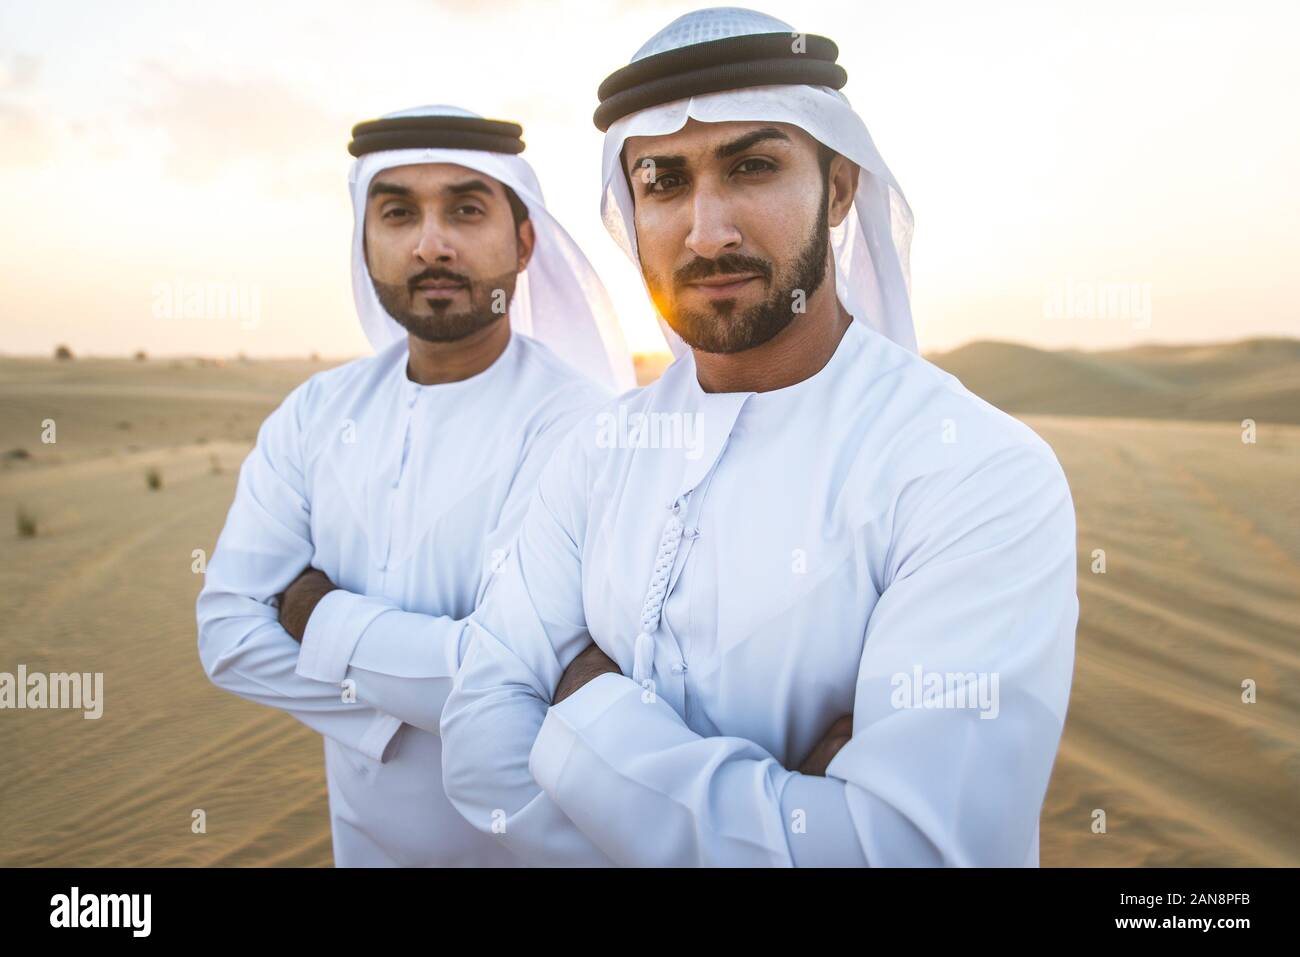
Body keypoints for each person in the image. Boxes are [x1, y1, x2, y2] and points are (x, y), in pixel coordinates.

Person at [439, 9, 1078, 866]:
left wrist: (584, 707)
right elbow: (479, 757)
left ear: (840, 185)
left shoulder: (973, 473)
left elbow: (910, 852)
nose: (708, 231)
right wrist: (791, 808)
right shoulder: (596, 454)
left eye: (753, 166)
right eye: (663, 180)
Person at [196, 104, 633, 866]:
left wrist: (317, 613)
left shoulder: (580, 426)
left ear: (524, 241)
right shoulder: (315, 414)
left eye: (466, 209)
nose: (432, 244)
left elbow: (521, 674)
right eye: (398, 213)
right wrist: (425, 697)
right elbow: (228, 637)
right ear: (365, 243)